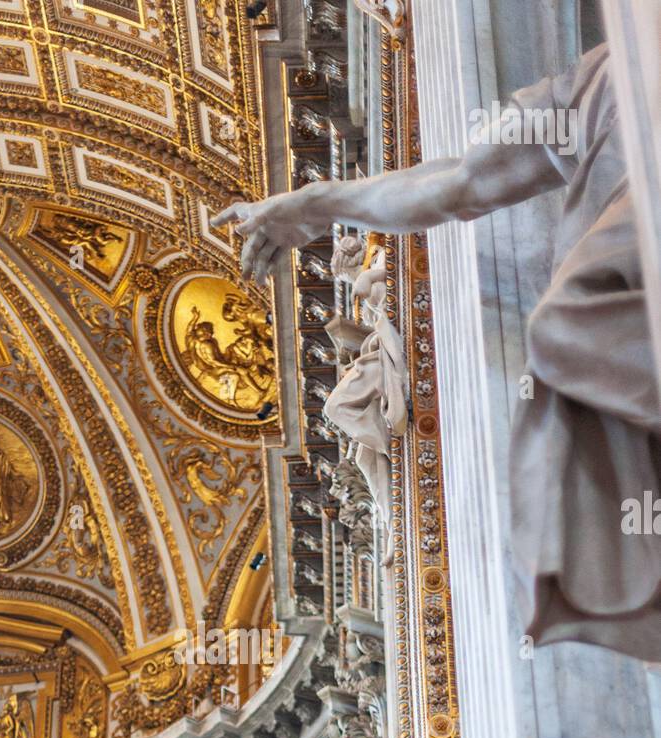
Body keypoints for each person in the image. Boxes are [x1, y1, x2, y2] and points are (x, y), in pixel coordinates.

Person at [214, 43, 661, 662]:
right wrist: (321, 201)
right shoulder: (596, 83)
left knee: (566, 337)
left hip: (623, 280)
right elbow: (459, 182)